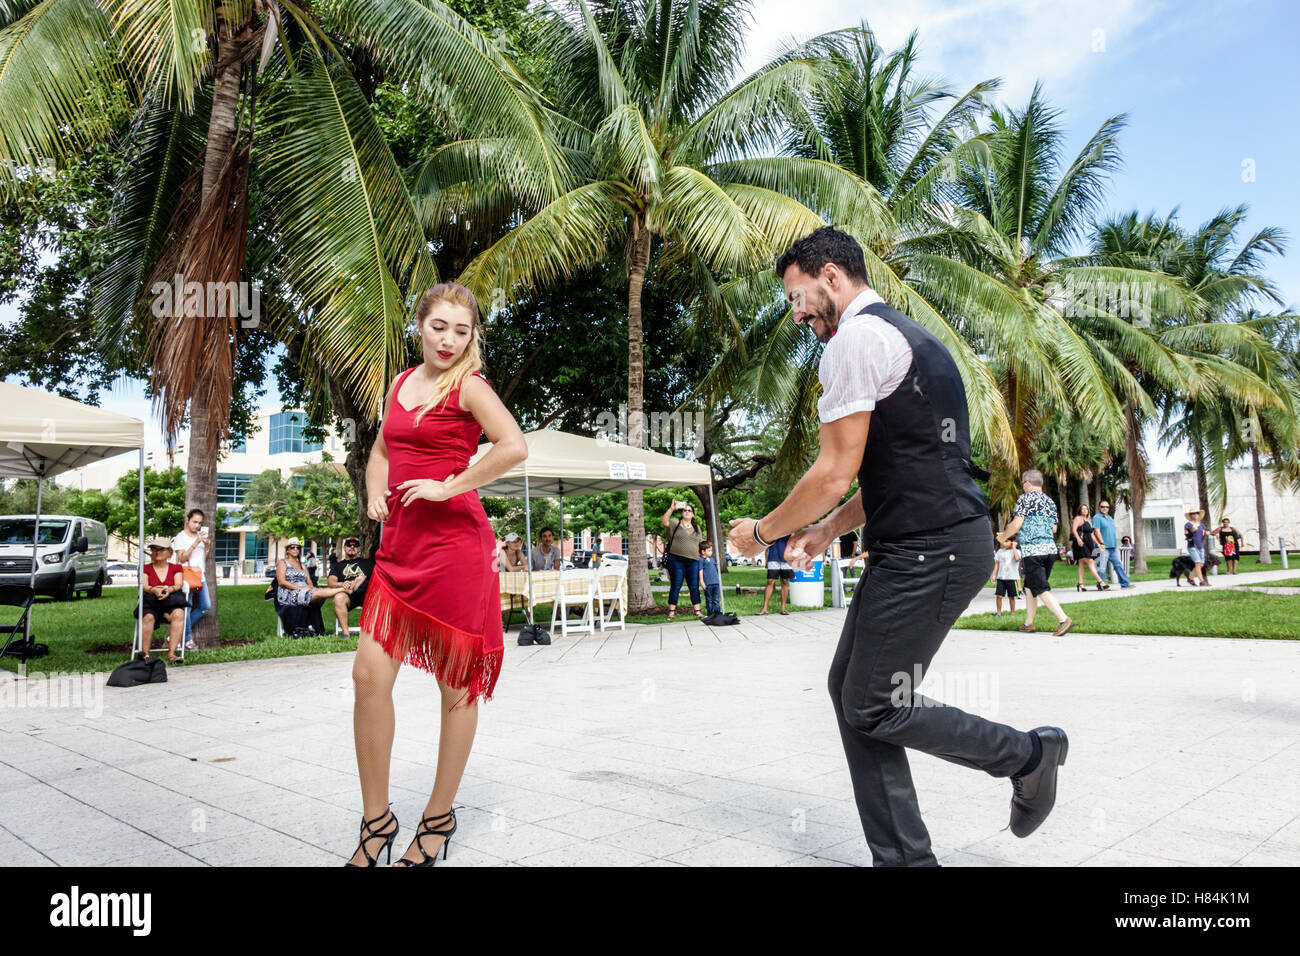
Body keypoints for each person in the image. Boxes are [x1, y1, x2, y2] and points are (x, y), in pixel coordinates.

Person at [728, 227, 1066, 866]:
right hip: (928, 541)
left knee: (874, 702)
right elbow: (897, 467)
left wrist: (764, 533)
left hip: (928, 547)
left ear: (832, 277)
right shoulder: (911, 337)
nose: (797, 313)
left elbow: (831, 472)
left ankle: (1028, 755)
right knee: (853, 694)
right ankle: (906, 859)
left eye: (799, 296)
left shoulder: (854, 339)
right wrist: (829, 529)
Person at [349, 281, 526, 867]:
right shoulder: (400, 384)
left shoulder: (470, 387)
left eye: (462, 330)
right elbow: (380, 452)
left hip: (454, 548)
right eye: (439, 327)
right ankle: (377, 821)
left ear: (473, 336)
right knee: (368, 679)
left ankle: (438, 817)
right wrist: (377, 496)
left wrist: (449, 485)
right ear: (418, 326)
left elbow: (513, 447)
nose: (449, 340)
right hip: (399, 550)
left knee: (456, 688)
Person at [999, 471, 1074, 635]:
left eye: (1022, 484)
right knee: (1030, 587)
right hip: (1049, 550)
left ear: (1027, 483)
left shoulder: (1025, 499)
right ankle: (1029, 623)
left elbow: (1017, 523)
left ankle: (1063, 619)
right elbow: (1054, 528)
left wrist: (1003, 537)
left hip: (1033, 550)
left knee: (1040, 587)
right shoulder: (1050, 502)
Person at [276, 538, 347, 628]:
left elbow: (309, 581)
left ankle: (312, 623)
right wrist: (301, 588)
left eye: (297, 547)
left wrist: (311, 587)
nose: (295, 549)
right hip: (288, 593)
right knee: (319, 594)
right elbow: (282, 582)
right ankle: (344, 589)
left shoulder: (303, 565)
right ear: (287, 550)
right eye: (292, 547)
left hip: (304, 591)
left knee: (320, 594)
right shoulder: (283, 563)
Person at [137, 538, 188, 664]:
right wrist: (153, 590)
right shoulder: (145, 568)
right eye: (154, 549)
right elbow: (143, 586)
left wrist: (168, 590)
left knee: (179, 613)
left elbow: (178, 584)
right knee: (148, 617)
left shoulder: (176, 567)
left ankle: (172, 655)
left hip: (169, 602)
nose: (157, 552)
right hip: (151, 602)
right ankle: (145, 655)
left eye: (161, 549)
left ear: (169, 552)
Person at [172, 508, 210, 651]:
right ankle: (188, 640)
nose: (197, 526)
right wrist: (196, 542)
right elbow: (182, 558)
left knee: (205, 606)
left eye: (200, 523)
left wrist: (206, 546)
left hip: (200, 576)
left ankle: (177, 631)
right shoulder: (181, 537)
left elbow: (202, 559)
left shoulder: (200, 536)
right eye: (194, 522)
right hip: (186, 576)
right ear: (187, 520)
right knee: (187, 607)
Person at [659, 500, 702, 621]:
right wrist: (671, 508)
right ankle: (671, 611)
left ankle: (697, 610)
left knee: (694, 586)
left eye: (689, 510)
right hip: (676, 559)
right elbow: (664, 521)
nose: (687, 512)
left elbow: (699, 544)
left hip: (693, 561)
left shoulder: (697, 527)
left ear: (693, 514)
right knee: (676, 585)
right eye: (685, 510)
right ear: (682, 512)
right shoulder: (675, 523)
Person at [328, 537, 373, 635]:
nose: (352, 547)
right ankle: (346, 633)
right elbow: (331, 582)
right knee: (338, 597)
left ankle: (374, 633)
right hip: (348, 595)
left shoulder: (368, 563)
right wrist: (341, 583)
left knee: (380, 597)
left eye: (355, 545)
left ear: (359, 549)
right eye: (349, 545)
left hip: (367, 594)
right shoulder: (337, 566)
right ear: (344, 548)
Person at [1092, 500, 1133, 588]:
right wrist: (1101, 543)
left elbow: (1112, 532)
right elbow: (1096, 531)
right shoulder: (1097, 517)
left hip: (1113, 548)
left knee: (1119, 565)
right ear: (1099, 508)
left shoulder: (1110, 518)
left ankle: (1125, 584)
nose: (1105, 508)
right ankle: (1101, 585)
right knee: (1101, 567)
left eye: (1106, 507)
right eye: (1102, 507)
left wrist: (1116, 544)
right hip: (1103, 547)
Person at [1070, 504, 1108, 591]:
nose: (1085, 510)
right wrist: (1078, 539)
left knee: (1082, 563)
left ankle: (1080, 584)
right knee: (1089, 561)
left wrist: (1098, 544)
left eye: (1086, 509)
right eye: (1082, 509)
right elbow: (1074, 530)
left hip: (1088, 543)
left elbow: (1091, 534)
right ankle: (1100, 581)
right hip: (1080, 543)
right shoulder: (1078, 518)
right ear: (1079, 510)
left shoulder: (1088, 520)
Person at [759, 534, 793, 615]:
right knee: (770, 581)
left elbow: (793, 541)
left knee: (785, 581)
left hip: (786, 557)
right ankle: (764, 609)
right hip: (773, 557)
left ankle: (783, 609)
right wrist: (766, 557)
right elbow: (766, 541)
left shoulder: (791, 526)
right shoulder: (774, 525)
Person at [992, 538, 1021, 617]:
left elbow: (1017, 558)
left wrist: (1014, 547)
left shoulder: (1017, 551)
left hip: (1011, 578)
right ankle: (998, 613)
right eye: (1003, 541)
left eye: (1006, 541)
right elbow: (997, 564)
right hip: (1001, 578)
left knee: (1011, 597)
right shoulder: (1000, 552)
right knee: (999, 596)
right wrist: (994, 575)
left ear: (1012, 542)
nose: (1004, 543)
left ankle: (1012, 613)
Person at [1183, 508, 1210, 587]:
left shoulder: (1202, 525)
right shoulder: (1188, 524)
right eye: (1193, 513)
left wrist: (1207, 533)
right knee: (1197, 563)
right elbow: (1186, 534)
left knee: (1201, 564)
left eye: (1197, 513)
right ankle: (1202, 581)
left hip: (1200, 546)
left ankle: (1190, 579)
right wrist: (1192, 530)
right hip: (1192, 546)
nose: (1195, 515)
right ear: (1190, 515)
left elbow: (1204, 533)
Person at [698, 540, 722, 617]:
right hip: (708, 583)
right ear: (703, 551)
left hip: (715, 582)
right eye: (709, 550)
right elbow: (700, 571)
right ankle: (710, 614)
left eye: (711, 550)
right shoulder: (701, 560)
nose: (711, 552)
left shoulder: (712, 559)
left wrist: (718, 581)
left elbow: (715, 570)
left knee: (716, 599)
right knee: (709, 600)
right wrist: (702, 581)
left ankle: (717, 613)